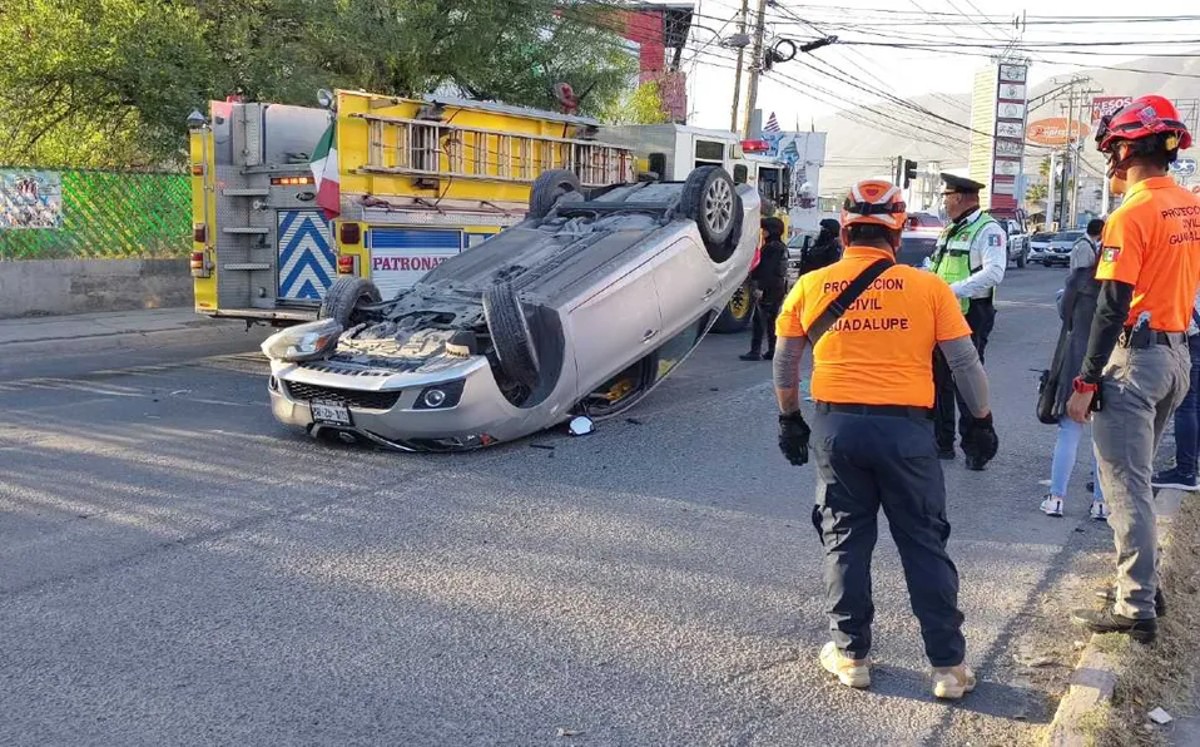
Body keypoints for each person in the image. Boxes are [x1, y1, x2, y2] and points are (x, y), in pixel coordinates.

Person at [773, 179, 997, 699]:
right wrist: (980, 422)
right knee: (923, 542)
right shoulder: (929, 288)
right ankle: (948, 667)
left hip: (837, 429)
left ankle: (851, 656)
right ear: (897, 233)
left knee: (845, 541)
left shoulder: (810, 285)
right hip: (908, 433)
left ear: (845, 231)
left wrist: (789, 419)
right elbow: (965, 364)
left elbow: (785, 363)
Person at [1066, 95, 1200, 643]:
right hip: (1176, 355)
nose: (1110, 163)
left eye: (1111, 152)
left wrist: (1085, 379)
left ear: (1124, 151)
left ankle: (1136, 606)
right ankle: (1145, 584)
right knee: (1137, 479)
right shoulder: (1189, 205)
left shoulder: (1130, 215)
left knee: (1124, 486)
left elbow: (1111, 305)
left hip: (1135, 361)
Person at [929, 174, 1007, 467]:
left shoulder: (988, 230)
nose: (945, 203)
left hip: (971, 313)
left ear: (960, 198)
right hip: (943, 313)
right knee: (939, 380)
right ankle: (942, 443)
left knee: (966, 381)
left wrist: (951, 290)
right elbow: (938, 266)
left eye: (947, 197)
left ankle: (976, 449)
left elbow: (994, 273)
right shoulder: (950, 229)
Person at [1037, 218, 1108, 520]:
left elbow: (1064, 313)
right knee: (1103, 437)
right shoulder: (1124, 284)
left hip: (1077, 358)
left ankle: (1056, 498)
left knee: (1069, 428)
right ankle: (1101, 503)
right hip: (1111, 362)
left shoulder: (1080, 278)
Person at [1151, 286, 1200, 492]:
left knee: (1186, 404)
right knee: (1194, 404)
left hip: (1191, 330)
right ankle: (1190, 468)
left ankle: (1186, 470)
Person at [741, 217, 789, 361]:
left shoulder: (771, 248)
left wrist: (760, 287)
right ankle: (773, 350)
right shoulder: (781, 246)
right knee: (772, 321)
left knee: (759, 319)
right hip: (778, 287)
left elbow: (767, 269)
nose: (763, 233)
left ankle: (755, 351)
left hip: (768, 288)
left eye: (765, 230)